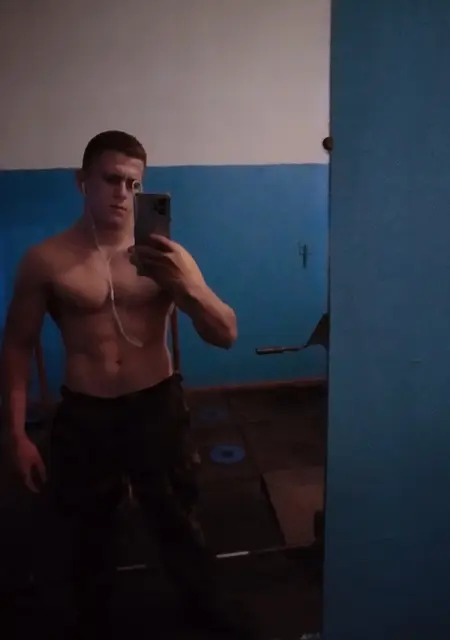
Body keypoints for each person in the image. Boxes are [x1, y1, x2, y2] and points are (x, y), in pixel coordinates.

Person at [0, 131, 254, 637]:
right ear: (83, 181)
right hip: (86, 413)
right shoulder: (46, 260)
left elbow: (225, 334)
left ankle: (206, 617)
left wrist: (186, 285)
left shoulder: (167, 257)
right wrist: (16, 435)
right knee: (87, 535)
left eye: (134, 184)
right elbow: (17, 346)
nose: (122, 193)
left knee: (177, 523)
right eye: (112, 179)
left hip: (156, 406)